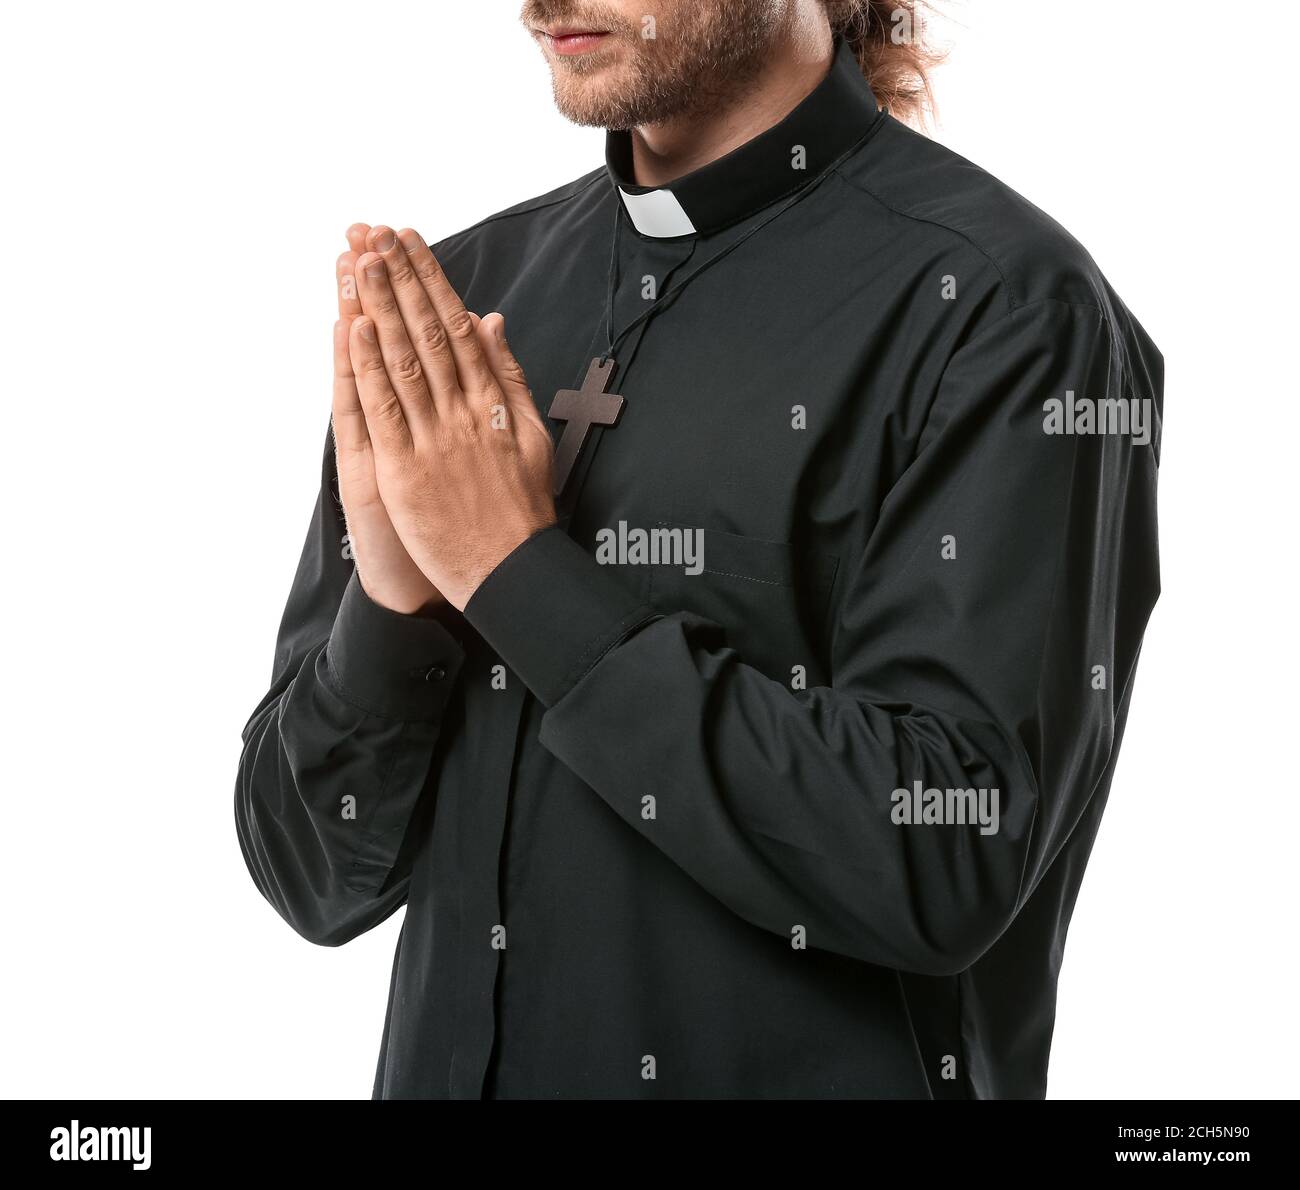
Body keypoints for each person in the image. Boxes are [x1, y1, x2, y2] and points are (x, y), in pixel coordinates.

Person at [235, 0, 1162, 1099]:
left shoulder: (1005, 314)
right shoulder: (466, 301)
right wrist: (392, 606)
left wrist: (515, 573)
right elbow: (312, 872)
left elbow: (947, 856)